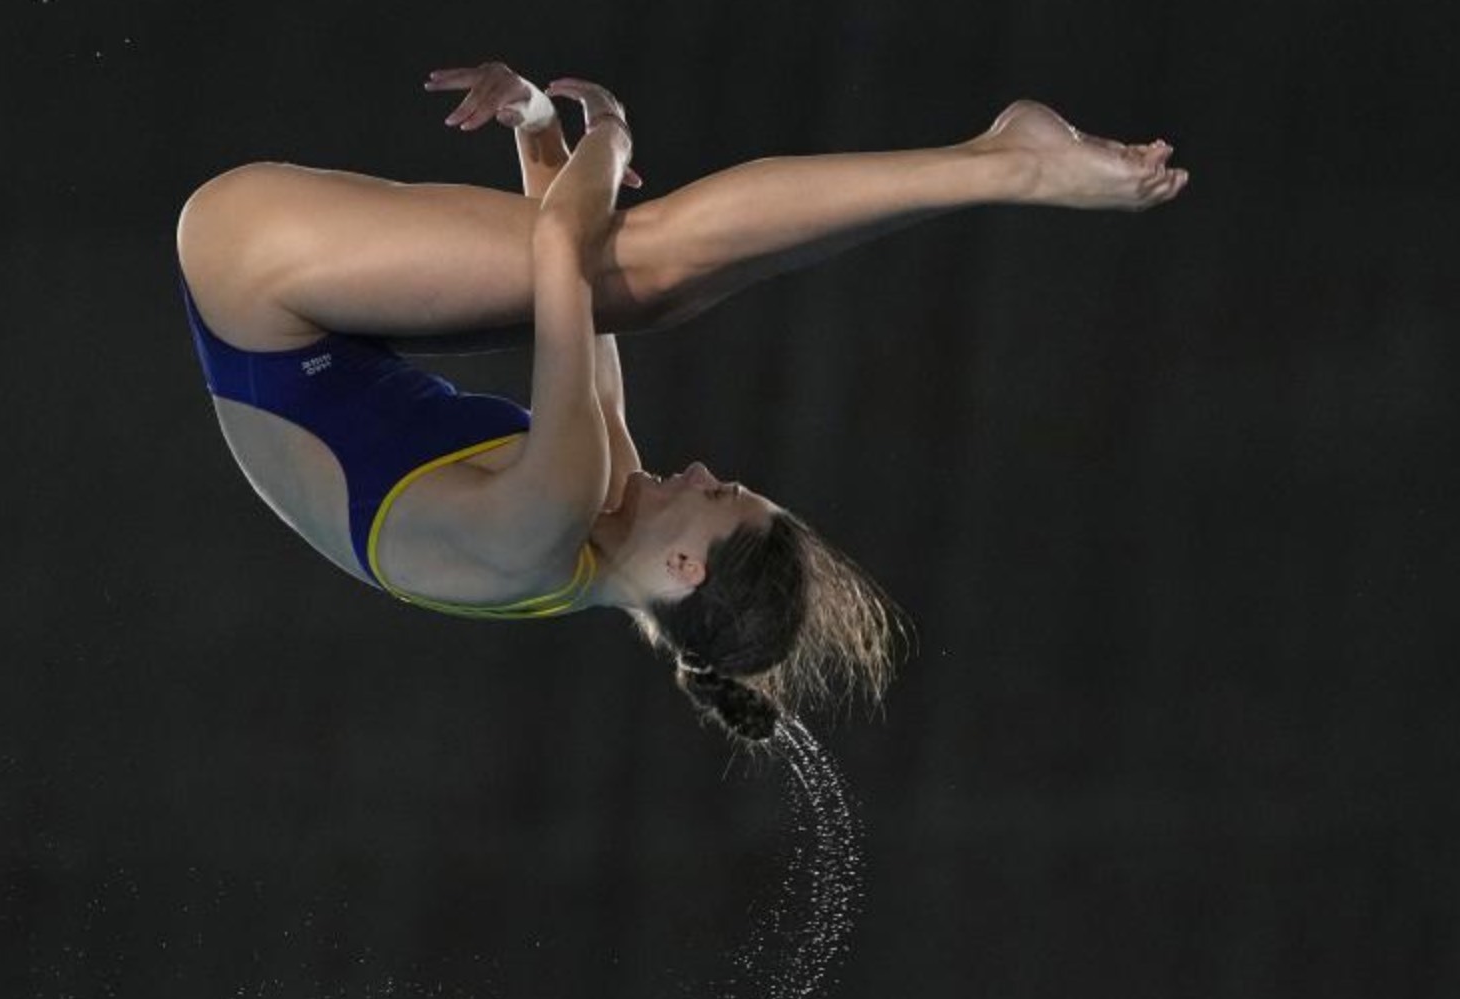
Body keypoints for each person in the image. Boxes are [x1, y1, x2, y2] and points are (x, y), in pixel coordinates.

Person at [174, 63, 1188, 740]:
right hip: (308, 328)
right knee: (643, 289)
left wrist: (609, 136)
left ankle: (1008, 164)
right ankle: (994, 164)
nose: (702, 470)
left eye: (722, 489)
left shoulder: (553, 518)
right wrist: (536, 131)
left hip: (253, 271)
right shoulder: (602, 507)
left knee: (646, 263)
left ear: (683, 564)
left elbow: (560, 253)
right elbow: (571, 294)